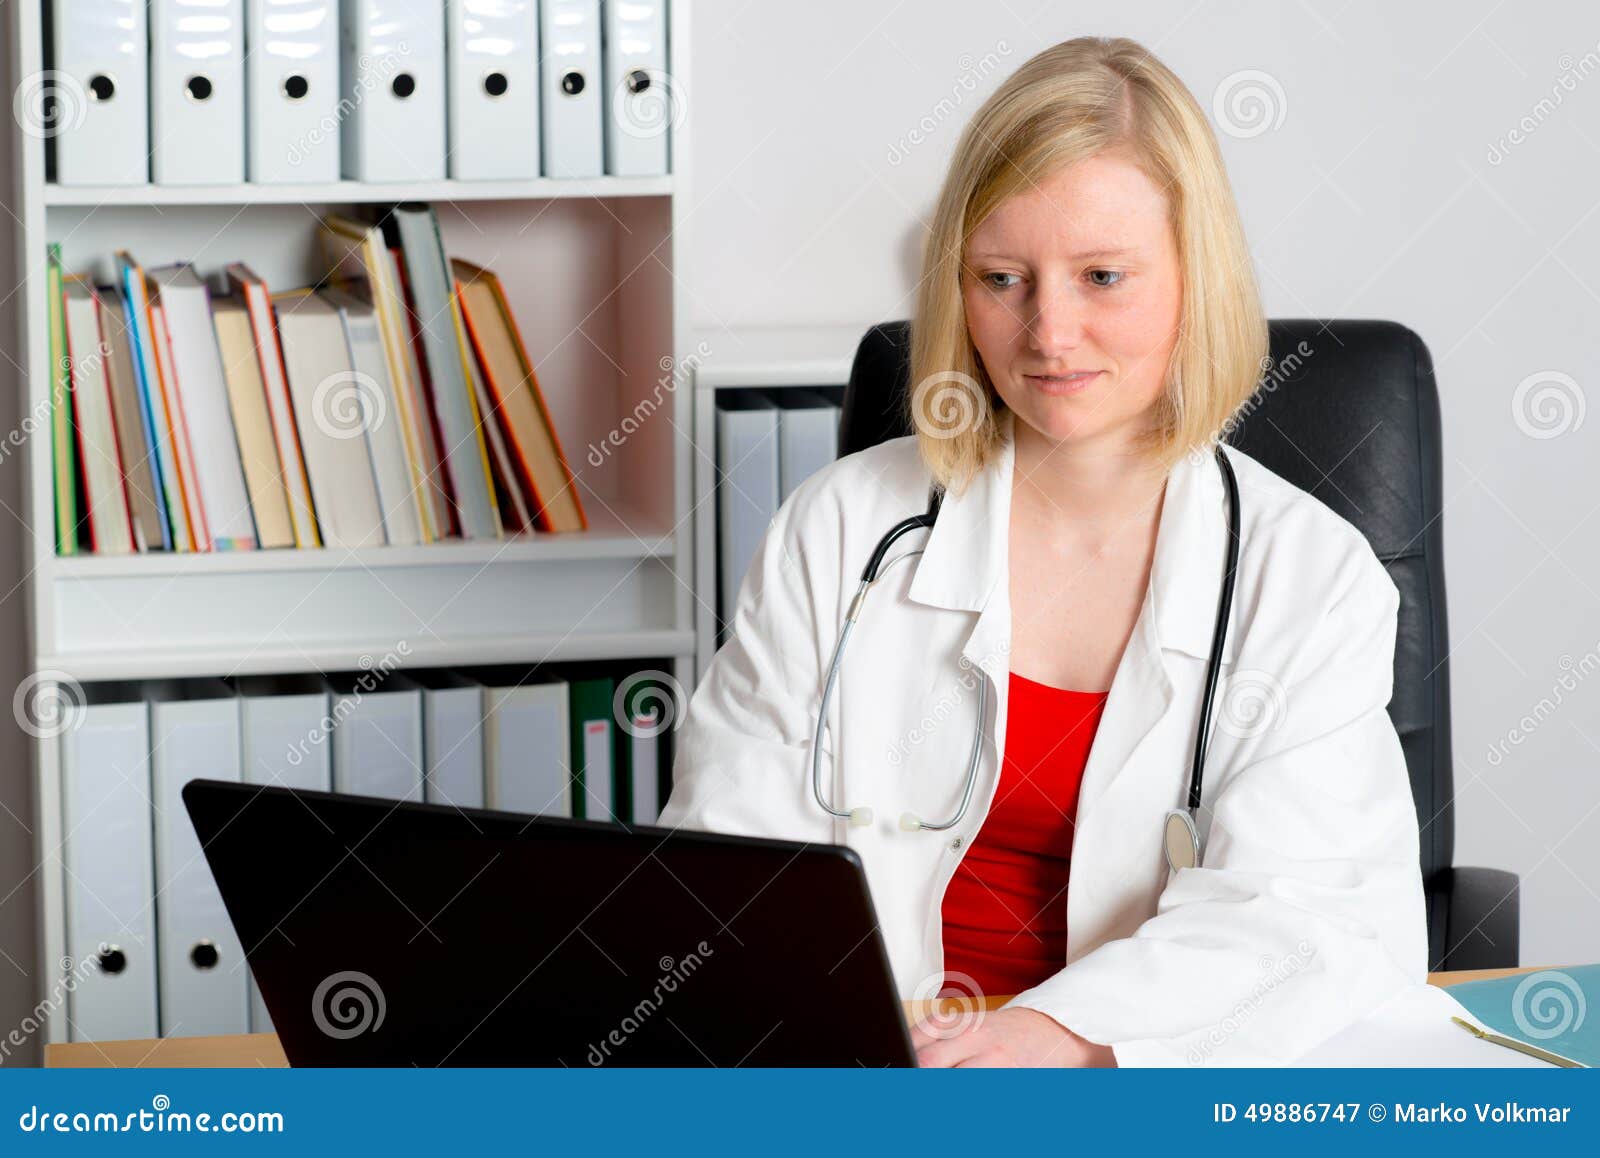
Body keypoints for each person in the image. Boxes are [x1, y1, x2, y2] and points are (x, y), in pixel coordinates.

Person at [658, 35, 1426, 1067]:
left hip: (1130, 1072)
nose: (1048, 334)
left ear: (1197, 280)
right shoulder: (839, 528)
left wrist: (1063, 1030)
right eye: (1002, 278)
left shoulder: (1308, 577)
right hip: (867, 1065)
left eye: (1102, 276)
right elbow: (731, 858)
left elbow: (1307, 919)